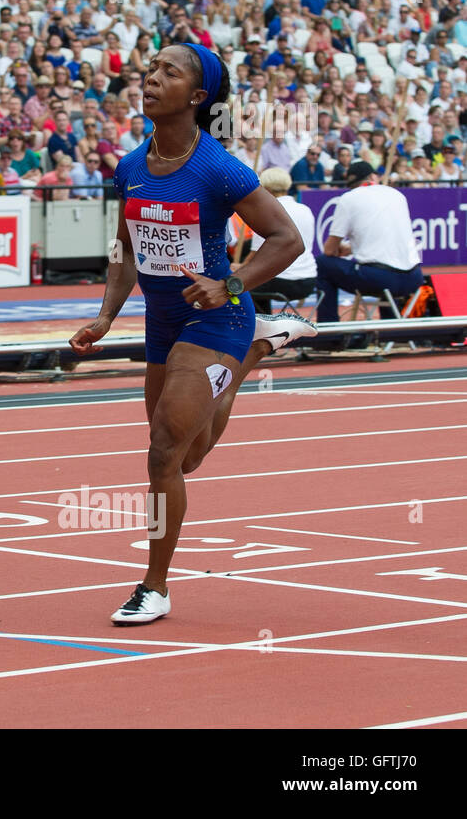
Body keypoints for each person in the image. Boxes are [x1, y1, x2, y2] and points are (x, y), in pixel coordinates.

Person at [70, 44, 316, 626]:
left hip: (217, 316)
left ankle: (153, 587)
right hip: (162, 321)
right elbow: (123, 250)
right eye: (150, 70)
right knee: (186, 458)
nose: (150, 79)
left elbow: (286, 241)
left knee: (161, 451)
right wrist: (106, 315)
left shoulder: (219, 168)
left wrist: (229, 285)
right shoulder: (130, 167)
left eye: (167, 73)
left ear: (198, 96)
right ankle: (257, 349)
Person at [314, 161, 423, 322]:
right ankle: (390, 326)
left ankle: (330, 331)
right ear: (373, 176)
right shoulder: (397, 195)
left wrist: (345, 248)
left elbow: (329, 250)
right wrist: (352, 248)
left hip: (381, 279)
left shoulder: (349, 198)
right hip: (414, 277)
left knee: (322, 263)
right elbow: (383, 236)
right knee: (380, 268)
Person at [233, 168, 317, 314]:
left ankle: (263, 328)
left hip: (281, 281)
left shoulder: (266, 212)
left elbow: (257, 256)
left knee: (237, 284)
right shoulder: (305, 209)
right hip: (309, 280)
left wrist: (238, 267)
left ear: (266, 187)